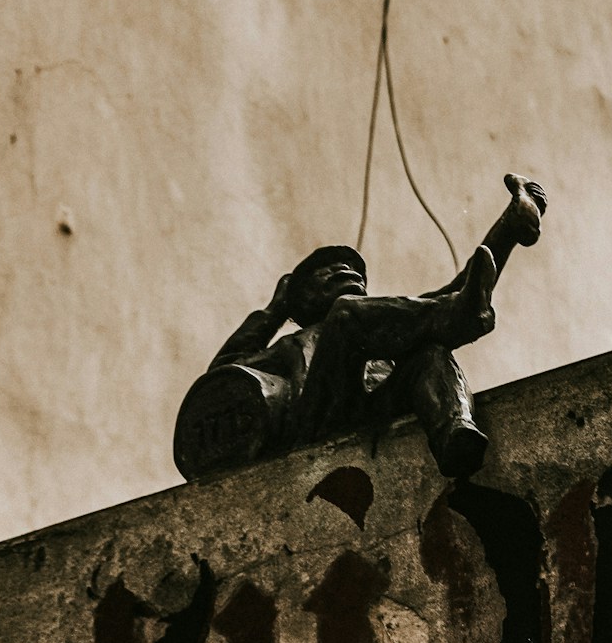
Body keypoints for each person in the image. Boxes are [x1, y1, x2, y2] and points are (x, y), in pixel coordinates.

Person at [174, 174, 550, 482]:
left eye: (353, 270)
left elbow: (462, 286)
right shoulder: (297, 341)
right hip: (319, 420)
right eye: (329, 270)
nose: (346, 271)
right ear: (301, 298)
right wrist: (274, 310)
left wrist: (507, 230)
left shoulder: (385, 322)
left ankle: (455, 433)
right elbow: (223, 378)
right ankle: (462, 320)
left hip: (373, 409)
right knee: (350, 317)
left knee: (429, 353)